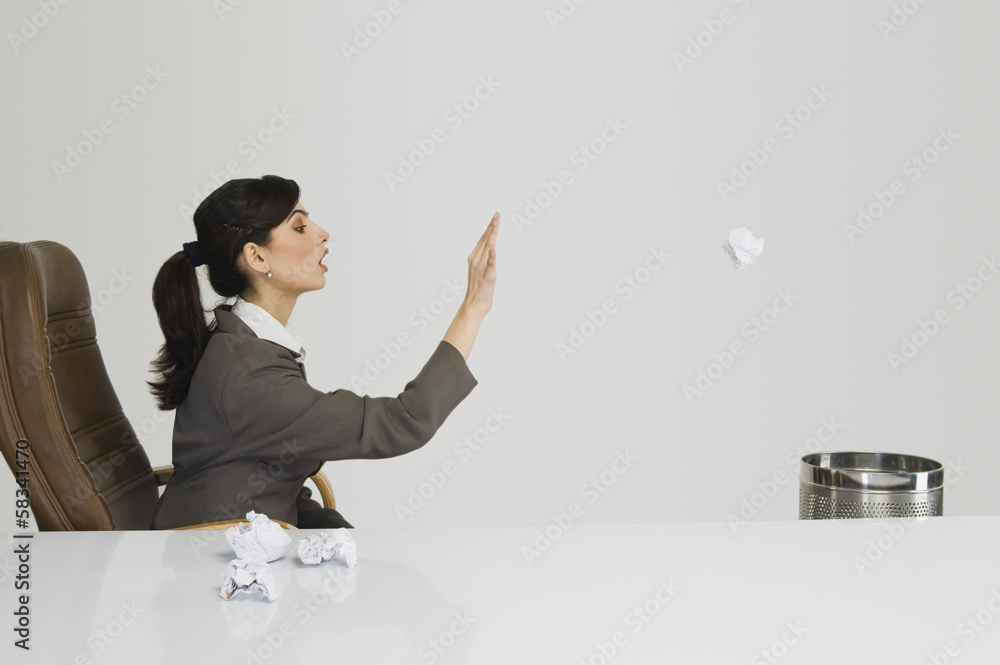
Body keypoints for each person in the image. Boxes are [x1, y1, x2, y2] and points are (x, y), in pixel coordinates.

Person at [147, 175, 498, 529]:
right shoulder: (249, 373)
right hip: (211, 565)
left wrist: (342, 538)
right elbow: (405, 421)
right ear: (256, 256)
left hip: (243, 545)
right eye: (299, 227)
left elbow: (269, 473)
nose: (322, 233)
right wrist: (472, 308)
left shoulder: (249, 346)